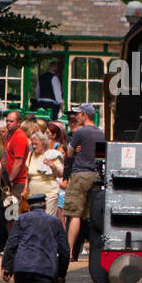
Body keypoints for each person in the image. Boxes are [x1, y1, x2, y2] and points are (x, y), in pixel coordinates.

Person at [64, 103, 103, 256]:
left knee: (74, 214)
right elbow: (101, 156)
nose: (76, 117)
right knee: (91, 216)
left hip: (80, 174)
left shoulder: (81, 133)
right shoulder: (100, 133)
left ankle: (69, 249)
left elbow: (69, 152)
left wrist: (76, 152)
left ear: (85, 115)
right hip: (95, 175)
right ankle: (94, 250)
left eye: (78, 114)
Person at [25, 130, 63, 206]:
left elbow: (60, 174)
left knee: (47, 216)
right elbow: (27, 176)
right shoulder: (30, 155)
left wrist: (53, 166)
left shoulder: (52, 155)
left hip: (49, 194)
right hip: (33, 194)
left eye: (36, 144)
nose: (34, 146)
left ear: (43, 144)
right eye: (32, 144)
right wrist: (25, 189)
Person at [3, 110, 30, 194]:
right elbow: (4, 156)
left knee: (13, 206)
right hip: (8, 179)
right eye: (7, 121)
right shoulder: (10, 135)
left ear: (18, 123)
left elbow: (18, 161)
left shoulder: (19, 137)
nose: (8, 123)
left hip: (17, 182)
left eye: (11, 121)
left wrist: (10, 180)